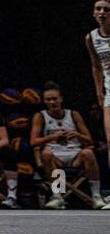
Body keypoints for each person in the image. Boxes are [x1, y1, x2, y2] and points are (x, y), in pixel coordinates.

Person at [31, 81, 106, 209]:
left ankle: (96, 195)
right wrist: (53, 137)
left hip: (75, 155)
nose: (52, 102)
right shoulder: (40, 116)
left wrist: (77, 135)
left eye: (55, 99)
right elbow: (33, 142)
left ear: (61, 99)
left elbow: (89, 140)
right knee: (46, 153)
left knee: (88, 152)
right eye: (48, 100)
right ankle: (57, 195)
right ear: (44, 101)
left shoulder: (73, 114)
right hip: (56, 157)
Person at [86, 0, 110, 150]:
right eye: (98, 9)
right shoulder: (91, 37)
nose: (101, 12)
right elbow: (96, 66)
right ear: (94, 13)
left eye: (106, 9)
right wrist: (99, 92)